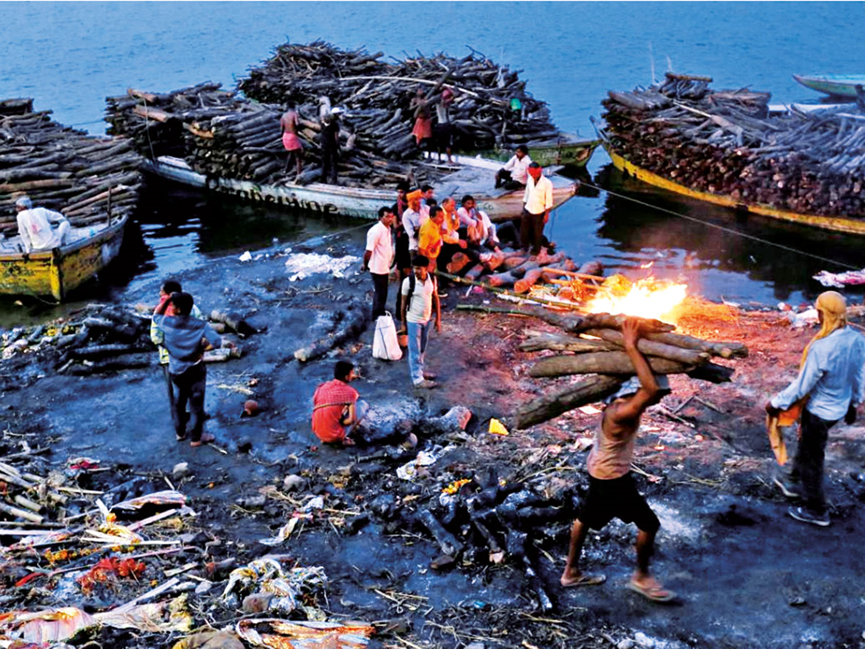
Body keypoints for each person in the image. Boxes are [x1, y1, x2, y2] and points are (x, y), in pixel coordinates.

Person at [560, 317, 676, 603]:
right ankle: (641, 577)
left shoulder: (616, 405)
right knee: (649, 524)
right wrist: (630, 346)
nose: (657, 398)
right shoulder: (622, 412)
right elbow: (649, 390)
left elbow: (647, 389)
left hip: (599, 470)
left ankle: (570, 571)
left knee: (585, 518)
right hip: (611, 477)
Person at [766, 291, 865, 527]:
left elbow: (803, 386)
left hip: (819, 412)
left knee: (813, 459)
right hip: (839, 408)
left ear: (823, 313)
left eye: (818, 311)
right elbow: (859, 375)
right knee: (808, 444)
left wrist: (776, 403)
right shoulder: (856, 339)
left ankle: (817, 510)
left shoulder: (821, 348)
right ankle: (792, 480)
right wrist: (854, 402)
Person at [153, 292, 230, 447]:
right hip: (195, 369)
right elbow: (216, 341)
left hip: (175, 370)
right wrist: (202, 350)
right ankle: (196, 438)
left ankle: (180, 433)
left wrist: (167, 300)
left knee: (178, 403)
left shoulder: (166, 323)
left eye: (173, 305)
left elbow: (155, 315)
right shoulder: (199, 324)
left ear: (178, 309)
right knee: (196, 404)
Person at [150, 279, 204, 431]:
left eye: (161, 291)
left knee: (176, 394)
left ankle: (180, 429)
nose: (159, 293)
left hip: (170, 360)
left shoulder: (160, 313)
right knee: (195, 392)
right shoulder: (192, 308)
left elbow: (155, 338)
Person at [400, 255, 441, 389]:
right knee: (414, 350)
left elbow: (435, 299)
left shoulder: (432, 279)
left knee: (422, 347)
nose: (416, 271)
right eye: (414, 268)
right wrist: (403, 323)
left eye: (419, 269)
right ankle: (417, 379)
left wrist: (438, 319)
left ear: (426, 268)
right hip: (413, 321)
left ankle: (420, 371)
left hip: (427, 319)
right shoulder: (408, 282)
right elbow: (403, 304)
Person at [312, 360, 368, 447]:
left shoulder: (322, 387)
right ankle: (341, 439)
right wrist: (341, 421)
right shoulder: (350, 392)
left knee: (333, 410)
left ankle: (326, 437)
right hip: (334, 435)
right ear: (346, 377)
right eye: (352, 373)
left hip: (318, 432)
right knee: (362, 405)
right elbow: (351, 420)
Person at [361, 207, 395, 320]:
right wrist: (365, 264)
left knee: (382, 291)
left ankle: (379, 311)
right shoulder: (375, 231)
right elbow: (368, 250)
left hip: (384, 265)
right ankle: (377, 315)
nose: (390, 219)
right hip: (377, 267)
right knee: (381, 292)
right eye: (387, 217)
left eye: (391, 217)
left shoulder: (388, 228)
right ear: (380, 217)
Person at [520, 163, 553, 256]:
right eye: (531, 174)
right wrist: (523, 208)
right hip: (528, 208)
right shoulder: (530, 180)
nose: (533, 176)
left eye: (534, 173)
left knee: (537, 233)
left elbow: (549, 200)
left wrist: (547, 214)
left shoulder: (547, 183)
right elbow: (526, 194)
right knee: (524, 230)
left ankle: (536, 251)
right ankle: (524, 247)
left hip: (539, 211)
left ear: (539, 171)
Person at [392, 183, 412, 328]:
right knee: (404, 278)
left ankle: (410, 307)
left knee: (411, 277)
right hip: (401, 244)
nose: (400, 195)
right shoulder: (395, 208)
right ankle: (400, 311)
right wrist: (407, 223)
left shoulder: (412, 205)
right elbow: (396, 226)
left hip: (412, 243)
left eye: (402, 192)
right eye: (398, 192)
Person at [418, 206, 446, 296]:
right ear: (432, 217)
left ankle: (434, 295)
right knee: (428, 279)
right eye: (440, 217)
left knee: (433, 277)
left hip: (433, 256)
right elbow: (422, 248)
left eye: (442, 216)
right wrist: (425, 263)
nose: (442, 219)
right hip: (428, 257)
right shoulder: (427, 229)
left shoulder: (435, 224)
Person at [280, 101, 304, 178]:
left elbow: (281, 128)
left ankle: (285, 170)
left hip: (285, 136)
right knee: (298, 157)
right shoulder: (294, 114)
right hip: (292, 136)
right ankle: (299, 173)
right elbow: (297, 124)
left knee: (290, 153)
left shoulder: (284, 115)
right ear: (294, 107)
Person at [402, 189, 427, 258]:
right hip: (416, 248)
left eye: (420, 199)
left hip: (429, 246)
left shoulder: (426, 209)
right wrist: (422, 228)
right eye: (416, 199)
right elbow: (411, 234)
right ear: (411, 201)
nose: (419, 201)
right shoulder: (406, 215)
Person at [320, 108, 341, 185]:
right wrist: (338, 145)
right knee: (333, 163)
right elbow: (336, 137)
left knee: (324, 162)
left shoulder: (322, 124)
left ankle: (323, 179)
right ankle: (334, 180)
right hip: (332, 146)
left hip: (324, 145)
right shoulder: (335, 125)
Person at [435, 87, 456, 163]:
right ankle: (449, 160)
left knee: (440, 143)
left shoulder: (439, 102)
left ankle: (440, 159)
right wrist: (450, 88)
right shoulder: (444, 103)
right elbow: (454, 95)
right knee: (447, 144)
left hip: (440, 125)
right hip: (445, 125)